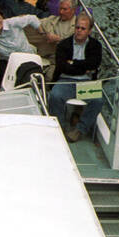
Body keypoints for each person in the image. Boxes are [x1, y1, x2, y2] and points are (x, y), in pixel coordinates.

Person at [48, 12, 103, 141]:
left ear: (89, 31)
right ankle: (60, 127)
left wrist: (73, 63)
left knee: (98, 101)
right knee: (55, 96)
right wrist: (84, 68)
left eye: (83, 29)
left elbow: (94, 63)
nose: (79, 31)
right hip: (66, 79)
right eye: (77, 27)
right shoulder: (63, 45)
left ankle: (79, 129)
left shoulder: (95, 46)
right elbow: (62, 67)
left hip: (86, 82)